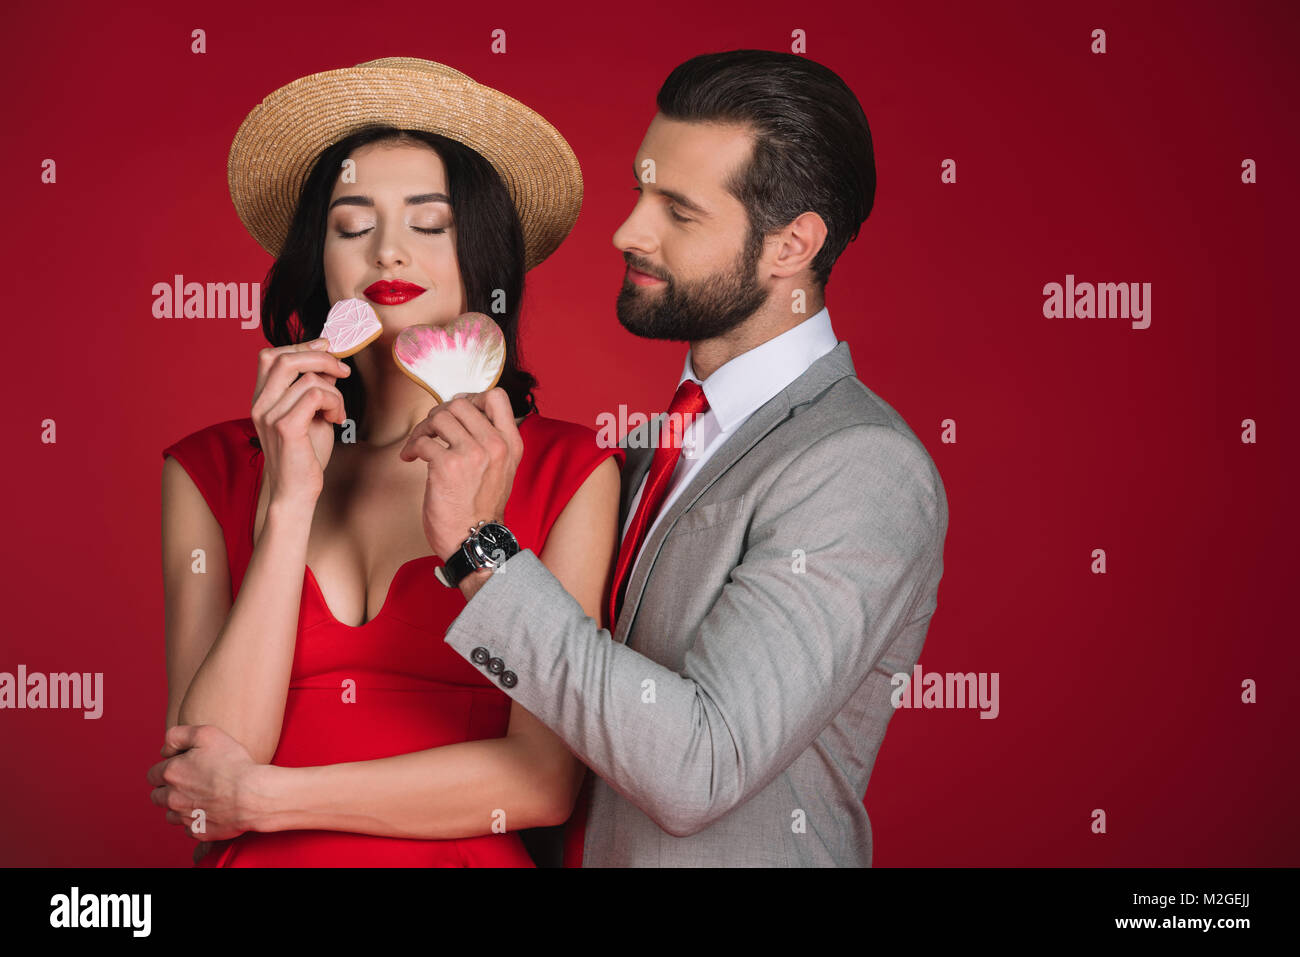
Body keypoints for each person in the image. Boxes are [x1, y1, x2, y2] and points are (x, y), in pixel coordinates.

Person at [417, 49, 951, 866]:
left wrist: (483, 553)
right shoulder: (638, 453)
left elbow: (697, 768)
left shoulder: (859, 465)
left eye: (679, 209)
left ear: (791, 246)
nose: (628, 230)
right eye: (640, 188)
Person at [147, 57, 622, 867]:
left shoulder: (570, 471)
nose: (389, 252)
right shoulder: (209, 469)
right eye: (353, 225)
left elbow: (541, 781)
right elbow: (204, 779)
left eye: (429, 224)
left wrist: (268, 797)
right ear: (319, 260)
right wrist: (288, 502)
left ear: (482, 254)